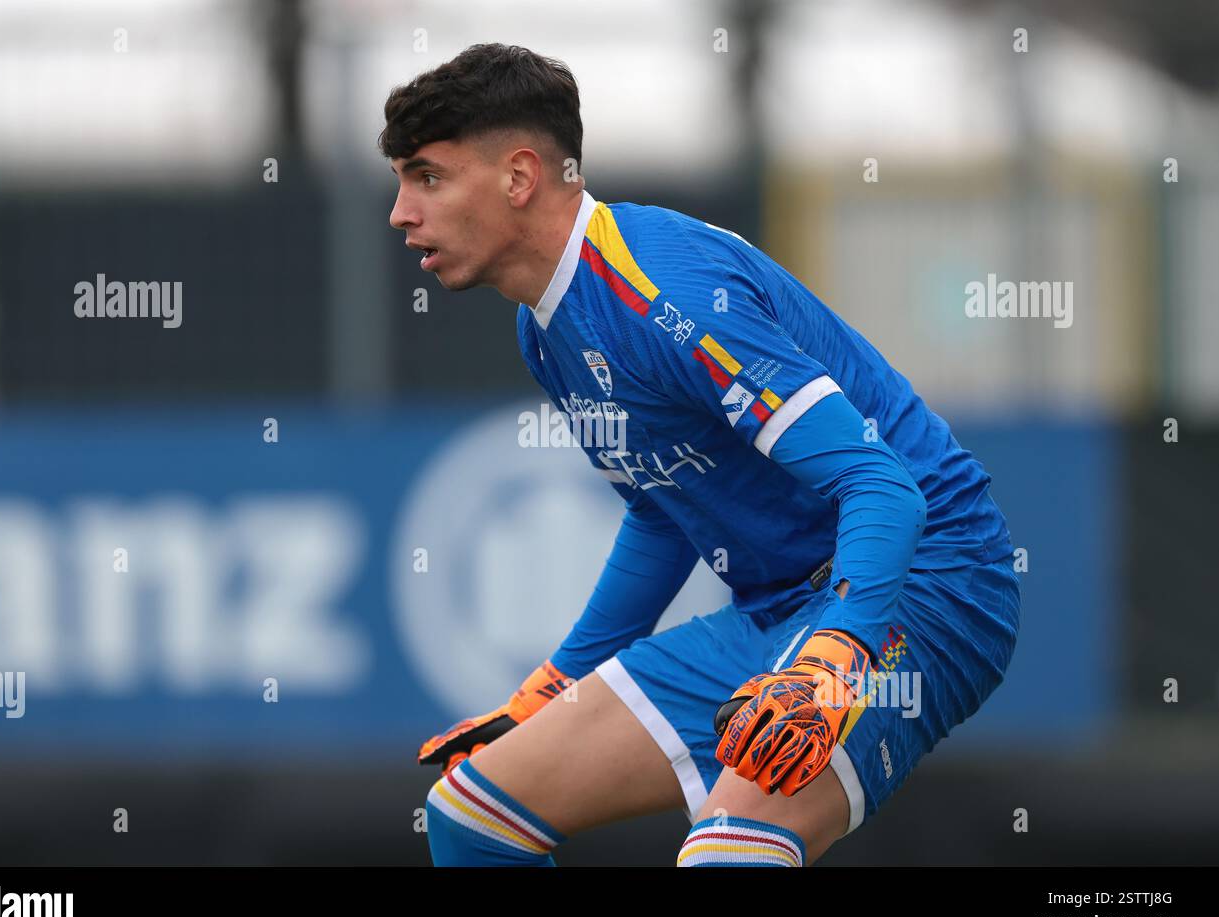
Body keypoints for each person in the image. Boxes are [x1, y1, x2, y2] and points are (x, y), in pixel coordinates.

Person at [381, 43, 1020, 867]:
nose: (401, 211)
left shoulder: (664, 296)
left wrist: (829, 660)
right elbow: (664, 506)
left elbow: (885, 489)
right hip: (784, 611)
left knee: (730, 853)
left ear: (519, 177)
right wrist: (556, 681)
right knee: (472, 815)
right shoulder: (545, 328)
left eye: (427, 176)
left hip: (926, 584)